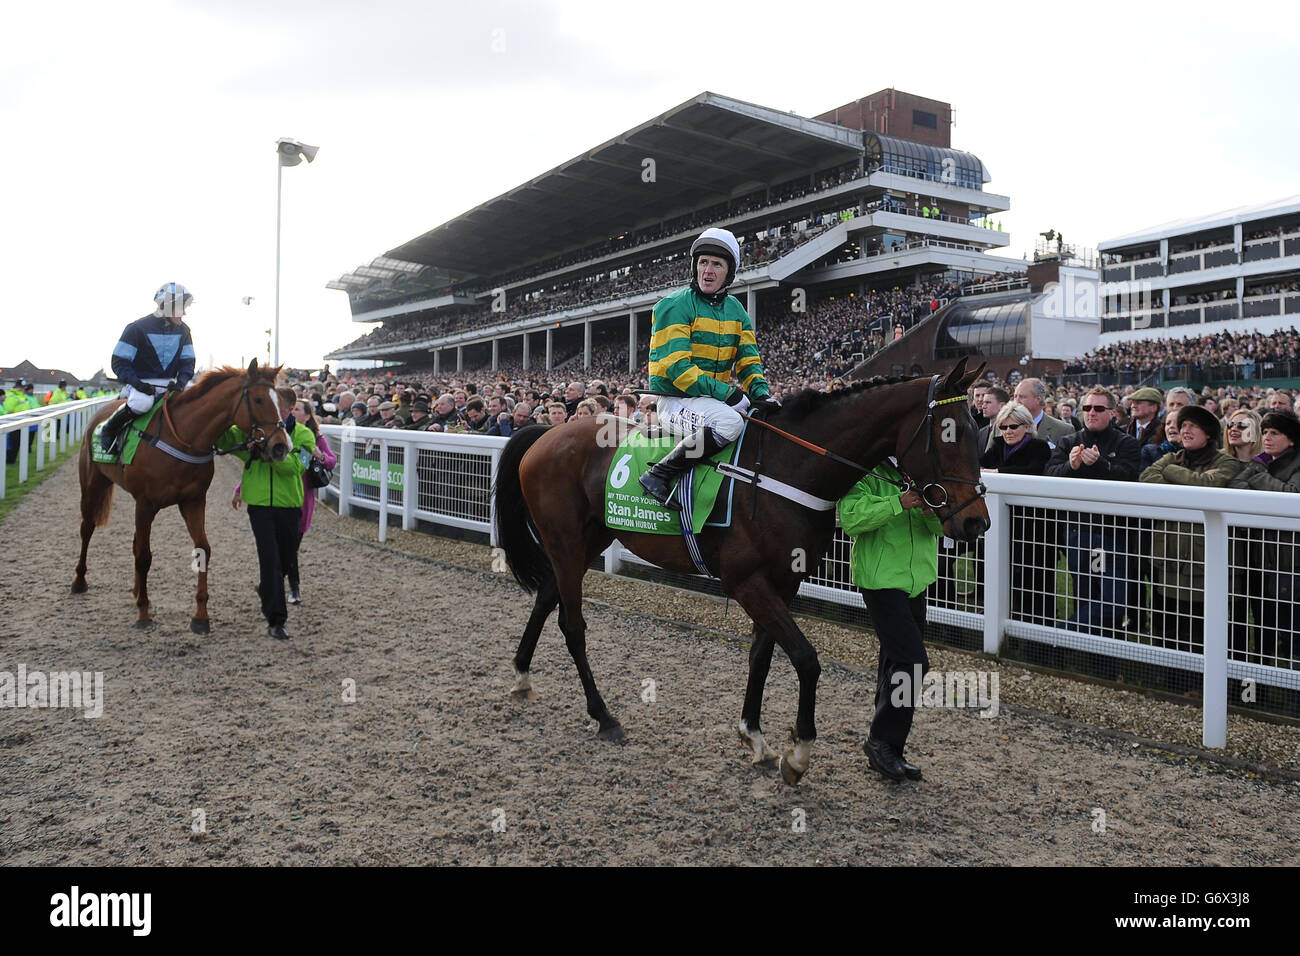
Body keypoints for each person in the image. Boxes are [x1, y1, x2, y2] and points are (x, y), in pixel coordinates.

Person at [640, 227, 777, 509]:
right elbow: (677, 367)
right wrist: (728, 394)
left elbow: (748, 360)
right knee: (730, 422)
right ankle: (658, 474)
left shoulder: (737, 311)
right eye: (703, 262)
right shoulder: (673, 305)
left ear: (729, 272)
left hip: (709, 401)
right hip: (676, 402)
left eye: (717, 264)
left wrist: (762, 394)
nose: (708, 271)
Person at [839, 459, 942, 782]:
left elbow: (940, 527)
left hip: (917, 580)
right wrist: (898, 503)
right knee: (913, 665)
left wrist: (931, 513)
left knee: (895, 663)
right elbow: (851, 518)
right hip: (881, 581)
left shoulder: (922, 473)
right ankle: (881, 741)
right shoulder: (866, 472)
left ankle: (890, 748)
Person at [1140, 405, 1242, 651]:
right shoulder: (1174, 457)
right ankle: (1172, 675)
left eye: (1192, 426)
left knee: (1202, 625)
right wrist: (1181, 474)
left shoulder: (1226, 461)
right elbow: (1146, 478)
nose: (1184, 430)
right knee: (1169, 621)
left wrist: (1170, 471)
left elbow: (1208, 486)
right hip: (1171, 556)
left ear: (1208, 433)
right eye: (1183, 425)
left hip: (1204, 560)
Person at [1045, 387, 1141, 634]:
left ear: (1112, 413)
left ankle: (1060, 636)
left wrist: (1101, 464)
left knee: (1112, 602)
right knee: (1084, 594)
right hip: (1079, 531)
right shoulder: (1069, 441)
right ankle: (1087, 651)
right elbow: (1049, 475)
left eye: (1098, 408)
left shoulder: (1126, 442)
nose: (1091, 413)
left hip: (1113, 533)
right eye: (1087, 408)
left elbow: (1130, 477)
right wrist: (1072, 465)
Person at [223, 389, 314, 640]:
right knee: (269, 559)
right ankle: (276, 620)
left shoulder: (306, 436)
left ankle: (266, 589)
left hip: (290, 505)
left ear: (288, 408)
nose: (273, 412)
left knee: (285, 560)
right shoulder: (254, 431)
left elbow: (297, 467)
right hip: (260, 505)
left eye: (279, 407)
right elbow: (226, 441)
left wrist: (271, 452)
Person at [1228, 409, 1300, 668]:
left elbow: (1291, 494)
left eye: (1275, 433)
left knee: (1291, 626)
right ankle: (1264, 677)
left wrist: (1258, 477)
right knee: (1266, 619)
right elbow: (1235, 486)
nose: (1267, 438)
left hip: (1289, 560)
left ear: (1290, 439)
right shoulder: (1261, 460)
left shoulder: (1288, 463)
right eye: (1266, 432)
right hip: (1262, 557)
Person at [100, 282, 197, 456]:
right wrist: (136, 383)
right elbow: (119, 362)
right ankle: (109, 429)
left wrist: (181, 382)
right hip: (140, 383)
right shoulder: (137, 328)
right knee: (142, 403)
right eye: (181, 307)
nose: (184, 313)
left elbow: (187, 363)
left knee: (198, 399)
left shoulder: (184, 331)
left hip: (171, 383)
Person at [286, 396, 336, 605]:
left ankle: (287, 586)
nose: (293, 412)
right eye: (292, 409)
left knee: (291, 547)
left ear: (307, 415)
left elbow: (332, 461)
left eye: (297, 409)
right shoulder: (282, 433)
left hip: (303, 497)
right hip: (282, 494)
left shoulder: (314, 437)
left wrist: (318, 454)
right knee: (286, 547)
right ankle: (291, 588)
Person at [1011, 377, 1073, 448]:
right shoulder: (1001, 427)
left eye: (1022, 397)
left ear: (1038, 399)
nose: (1017, 401)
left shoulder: (1064, 430)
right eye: (1015, 396)